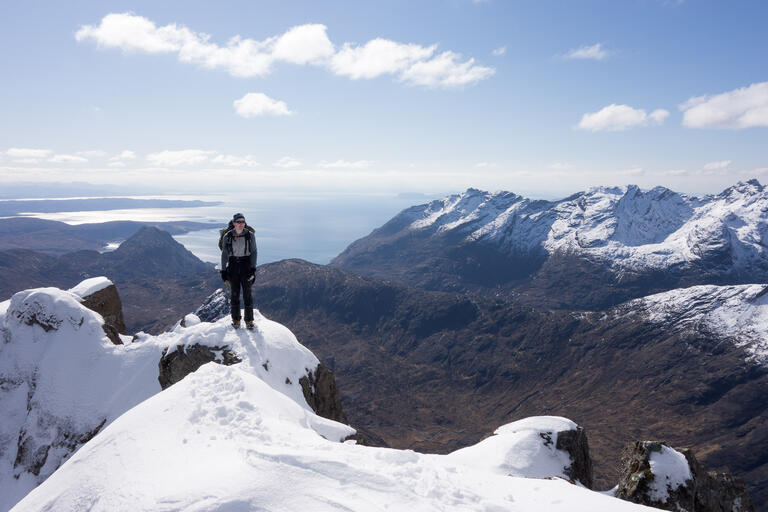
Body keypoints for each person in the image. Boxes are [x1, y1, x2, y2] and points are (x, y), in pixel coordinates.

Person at [220, 213, 257, 329]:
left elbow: (254, 252)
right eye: (238, 222)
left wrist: (253, 268)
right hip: (233, 266)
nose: (241, 224)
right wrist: (223, 270)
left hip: (246, 265)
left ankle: (249, 321)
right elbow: (224, 254)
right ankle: (236, 320)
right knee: (234, 295)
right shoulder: (228, 236)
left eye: (243, 222)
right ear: (234, 223)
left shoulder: (250, 235)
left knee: (247, 295)